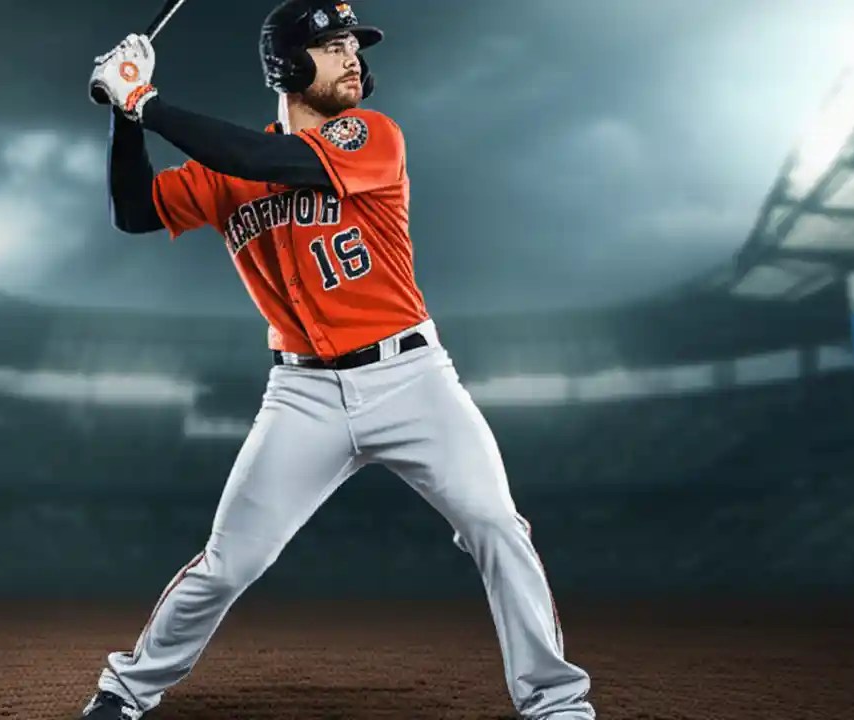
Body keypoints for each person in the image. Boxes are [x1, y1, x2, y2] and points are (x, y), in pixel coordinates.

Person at [78, 2, 595, 718]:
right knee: (230, 563)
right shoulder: (229, 169)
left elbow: (266, 160)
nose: (352, 55)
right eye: (330, 43)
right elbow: (133, 210)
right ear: (287, 64)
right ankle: (125, 693)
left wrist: (148, 101)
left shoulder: (369, 134)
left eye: (354, 42)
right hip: (302, 396)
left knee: (496, 525)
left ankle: (557, 704)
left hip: (411, 378)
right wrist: (124, 116)